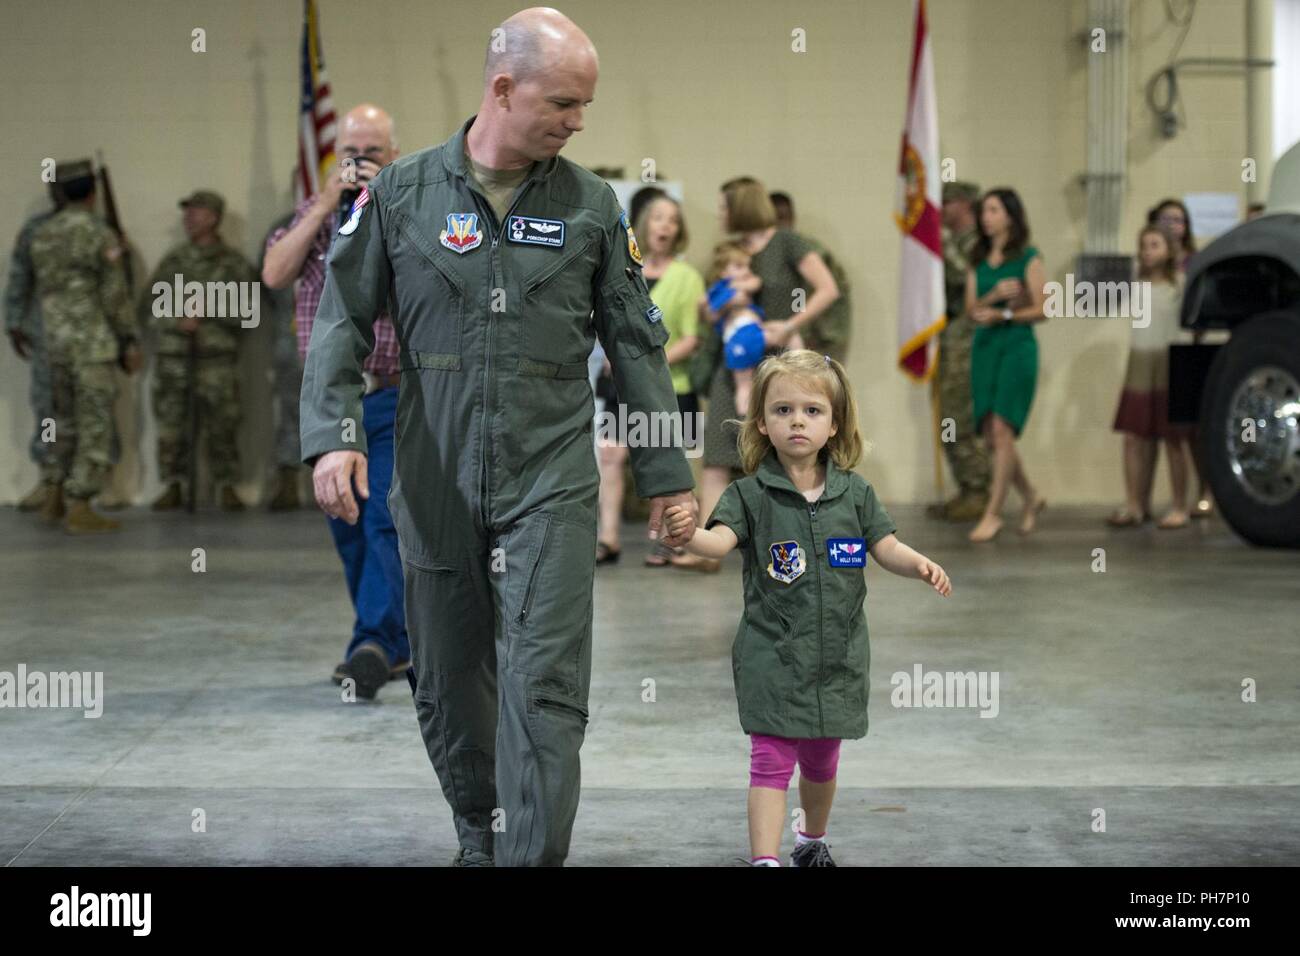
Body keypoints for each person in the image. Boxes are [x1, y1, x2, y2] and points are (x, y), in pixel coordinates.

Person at [298, 8, 697, 867]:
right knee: (447, 678)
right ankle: (478, 833)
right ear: (503, 88)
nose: (577, 122)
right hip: (433, 472)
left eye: (586, 106)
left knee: (545, 685)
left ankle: (531, 858)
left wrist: (667, 472)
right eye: (563, 102)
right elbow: (339, 320)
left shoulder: (591, 207)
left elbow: (636, 344)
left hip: (551, 474)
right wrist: (335, 435)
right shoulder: (400, 195)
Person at [664, 350, 950, 867]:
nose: (798, 420)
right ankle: (765, 860)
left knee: (822, 760)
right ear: (762, 424)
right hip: (772, 656)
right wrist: (686, 536)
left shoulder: (857, 495)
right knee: (770, 760)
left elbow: (884, 547)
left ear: (835, 424)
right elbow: (718, 544)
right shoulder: (748, 496)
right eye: (783, 410)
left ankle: (811, 840)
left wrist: (919, 565)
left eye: (813, 411)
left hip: (836, 660)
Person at [264, 104, 410, 699]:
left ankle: (373, 643)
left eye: (374, 151)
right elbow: (274, 273)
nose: (362, 161)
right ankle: (393, 644)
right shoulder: (312, 217)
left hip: (392, 397)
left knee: (384, 521)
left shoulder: (406, 212)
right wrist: (326, 203)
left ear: (393, 157)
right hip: (328, 401)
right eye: (353, 151)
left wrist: (383, 199)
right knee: (347, 522)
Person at [698, 178, 841, 552]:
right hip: (735, 362)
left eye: (724, 206)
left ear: (742, 206)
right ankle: (708, 548)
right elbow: (713, 305)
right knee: (716, 454)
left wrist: (790, 324)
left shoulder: (789, 243)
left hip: (781, 363)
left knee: (785, 454)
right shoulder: (729, 250)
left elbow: (828, 289)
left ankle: (795, 540)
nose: (720, 214)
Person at [28, 164, 143, 532]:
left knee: (60, 423)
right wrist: (128, 337)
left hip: (53, 342)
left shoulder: (42, 232)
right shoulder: (98, 233)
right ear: (92, 194)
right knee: (94, 424)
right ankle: (80, 504)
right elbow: (114, 294)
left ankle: (53, 492)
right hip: (91, 343)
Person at [598, 193, 706, 568]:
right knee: (609, 455)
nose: (665, 225)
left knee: (676, 467)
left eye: (673, 220)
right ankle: (608, 538)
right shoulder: (627, 268)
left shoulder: (688, 277)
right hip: (620, 388)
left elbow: (692, 339)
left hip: (673, 389)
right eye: (658, 218)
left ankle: (673, 540)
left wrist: (641, 360)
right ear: (644, 224)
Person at [142, 191, 256, 511]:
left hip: (217, 359)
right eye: (187, 212)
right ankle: (173, 483)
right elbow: (148, 308)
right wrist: (176, 320)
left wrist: (210, 311)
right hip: (174, 358)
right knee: (171, 424)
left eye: (196, 211)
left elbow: (249, 313)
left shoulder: (233, 263)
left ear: (214, 217)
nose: (189, 217)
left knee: (224, 424)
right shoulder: (173, 261)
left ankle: (227, 484)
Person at [965, 188, 1048, 543]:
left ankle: (994, 513)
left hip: (1016, 345)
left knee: (1002, 429)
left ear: (1011, 216)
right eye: (984, 211)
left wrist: (1007, 312)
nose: (987, 217)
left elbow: (1045, 308)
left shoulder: (1029, 257)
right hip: (984, 347)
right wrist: (994, 297)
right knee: (990, 434)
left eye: (994, 210)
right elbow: (972, 310)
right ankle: (1030, 495)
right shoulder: (977, 259)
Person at [1107, 225, 1192, 529]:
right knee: (1133, 436)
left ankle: (1181, 505)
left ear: (1169, 250)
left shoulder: (1180, 285)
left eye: (1155, 245)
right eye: (1143, 245)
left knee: (1173, 438)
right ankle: (1134, 504)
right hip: (1140, 361)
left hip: (1170, 362)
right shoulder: (1135, 284)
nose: (1148, 251)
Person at [6, 173, 75, 512]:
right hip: (46, 334)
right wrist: (14, 322)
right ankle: (50, 479)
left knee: (93, 411)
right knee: (48, 411)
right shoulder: (36, 230)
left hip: (89, 339)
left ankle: (89, 484)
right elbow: (20, 276)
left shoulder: (96, 228)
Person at [1147, 197, 1212, 519]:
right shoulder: (1152, 264)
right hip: (1160, 352)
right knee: (1170, 433)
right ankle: (1177, 501)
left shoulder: (1195, 263)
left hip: (1189, 351)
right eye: (1165, 219)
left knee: (1194, 431)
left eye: (1178, 220)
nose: (1172, 225)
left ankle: (1205, 491)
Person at [929, 180, 990, 523]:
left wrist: (935, 242)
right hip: (952, 337)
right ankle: (967, 488)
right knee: (948, 415)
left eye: (947, 203)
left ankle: (978, 490)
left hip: (971, 340)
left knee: (960, 416)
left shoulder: (979, 245)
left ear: (965, 204)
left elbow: (960, 276)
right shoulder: (956, 242)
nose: (942, 211)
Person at [261, 209, 304, 511]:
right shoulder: (284, 227)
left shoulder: (357, 214)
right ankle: (287, 481)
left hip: (341, 335)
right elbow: (268, 279)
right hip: (292, 336)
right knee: (290, 409)